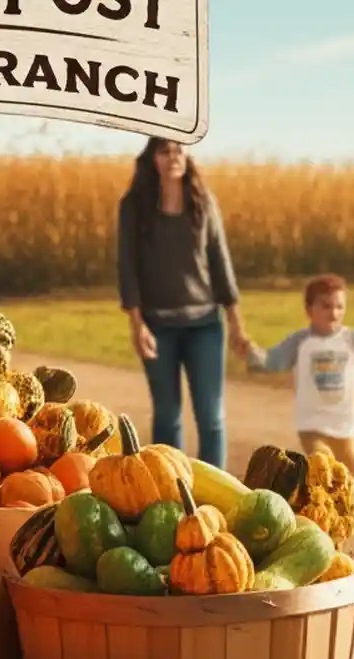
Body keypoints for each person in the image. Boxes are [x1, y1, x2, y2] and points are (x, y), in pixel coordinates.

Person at [117, 137, 250, 469]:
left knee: (211, 416)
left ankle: (215, 497)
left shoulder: (203, 203)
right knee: (167, 415)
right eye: (164, 151)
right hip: (157, 326)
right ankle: (170, 491)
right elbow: (127, 266)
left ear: (187, 156)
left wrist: (235, 322)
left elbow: (220, 260)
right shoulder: (134, 206)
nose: (173, 156)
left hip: (204, 325)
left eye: (178, 150)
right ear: (153, 159)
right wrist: (137, 324)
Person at [241, 274, 354, 480]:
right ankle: (319, 505)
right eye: (326, 306)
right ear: (309, 310)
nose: (334, 312)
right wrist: (251, 352)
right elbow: (273, 359)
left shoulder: (351, 340)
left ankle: (337, 506)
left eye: (339, 307)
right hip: (312, 424)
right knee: (324, 465)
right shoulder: (301, 341)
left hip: (344, 423)